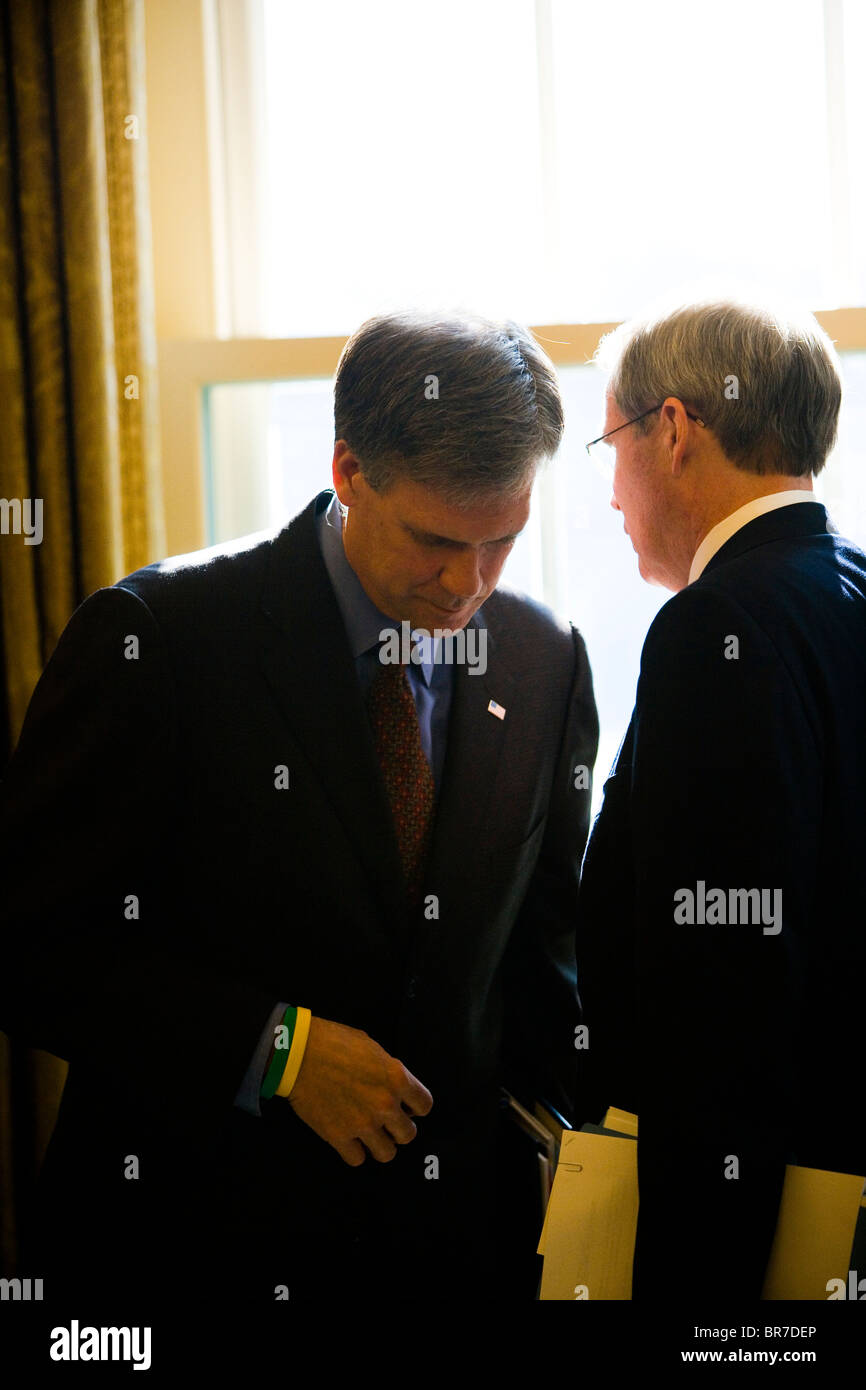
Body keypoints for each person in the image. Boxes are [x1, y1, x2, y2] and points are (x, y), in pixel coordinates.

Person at [1, 311, 599, 1310]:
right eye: (434, 540)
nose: (467, 586)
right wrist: (272, 1047)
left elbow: (543, 962)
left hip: (449, 1262)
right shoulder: (161, 640)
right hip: (191, 1247)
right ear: (348, 470)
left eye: (502, 541)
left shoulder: (543, 656)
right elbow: (28, 945)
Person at [576, 299, 866, 1301]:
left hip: (766, 1225)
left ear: (670, 429)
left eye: (608, 442)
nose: (609, 492)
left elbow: (721, 997)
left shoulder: (716, 629)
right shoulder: (849, 589)